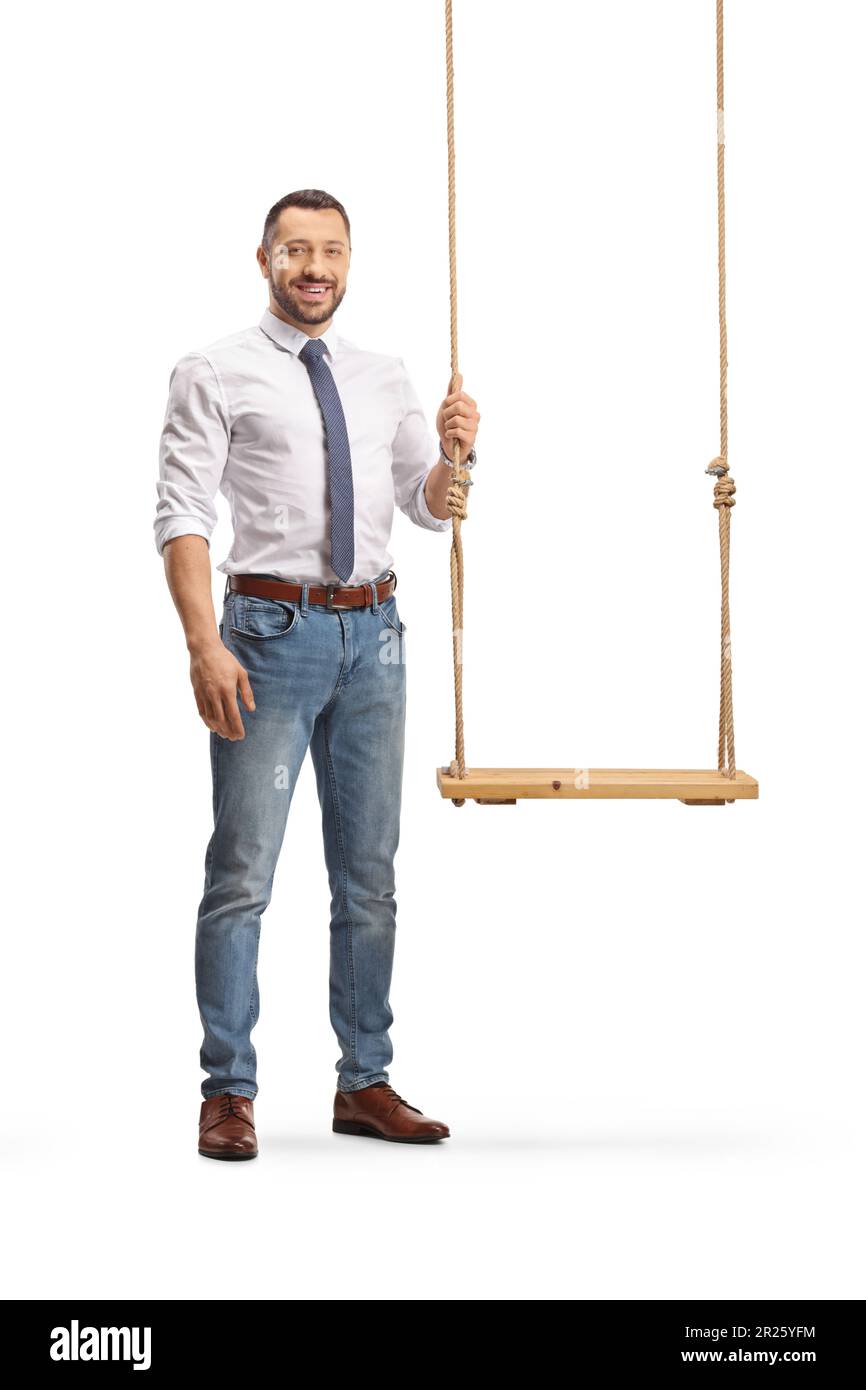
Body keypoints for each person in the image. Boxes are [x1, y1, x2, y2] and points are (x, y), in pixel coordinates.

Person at [154, 189, 480, 1160]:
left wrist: (459, 453)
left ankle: (363, 1080)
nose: (314, 268)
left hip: (374, 636)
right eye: (295, 250)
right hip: (266, 634)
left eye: (330, 251)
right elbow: (179, 513)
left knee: (369, 879)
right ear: (264, 260)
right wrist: (201, 642)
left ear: (348, 262)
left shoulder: (384, 376)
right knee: (242, 875)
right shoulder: (214, 369)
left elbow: (431, 508)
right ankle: (228, 1090)